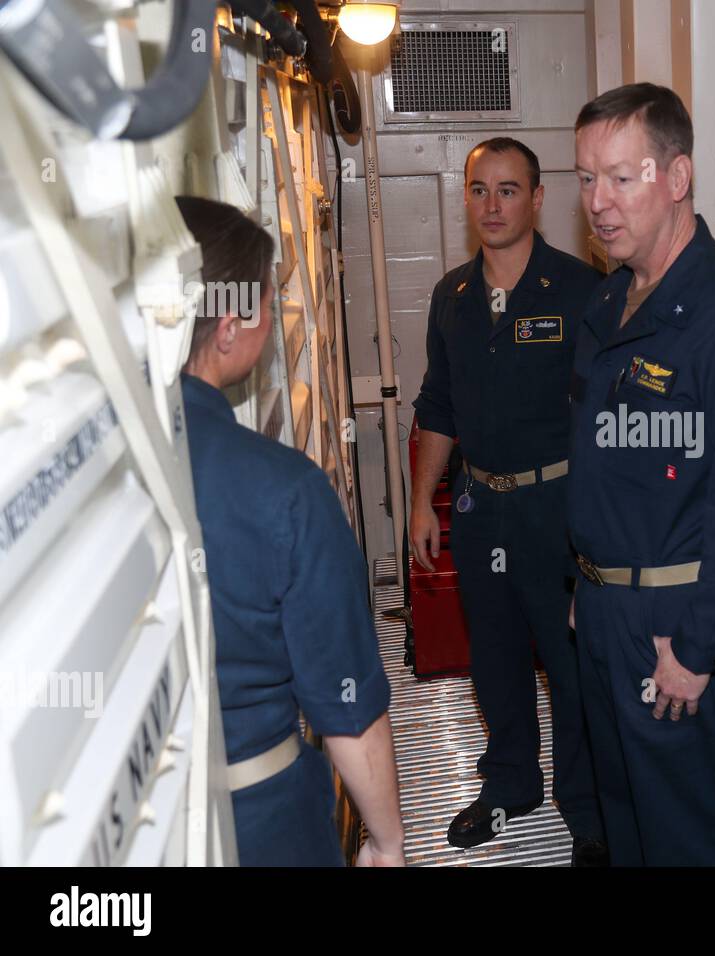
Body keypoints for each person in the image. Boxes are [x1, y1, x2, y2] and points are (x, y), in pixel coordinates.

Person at [568, 83, 715, 866]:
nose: (599, 203)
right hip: (606, 614)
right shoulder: (612, 301)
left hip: (674, 627)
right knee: (625, 822)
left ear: (677, 177)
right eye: (586, 179)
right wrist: (588, 587)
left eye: (621, 178)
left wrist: (698, 651)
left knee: (686, 839)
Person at [176, 195, 404, 867]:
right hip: (261, 822)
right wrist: (386, 843)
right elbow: (346, 703)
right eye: (270, 302)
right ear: (230, 327)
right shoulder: (283, 491)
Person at [409, 138, 606, 865]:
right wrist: (422, 501)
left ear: (538, 198)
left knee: (569, 662)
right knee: (492, 655)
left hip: (555, 510)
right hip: (477, 505)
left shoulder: (582, 292)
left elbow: (602, 421)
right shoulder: (451, 298)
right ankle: (510, 784)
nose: (492, 206)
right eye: (479, 190)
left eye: (508, 190)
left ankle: (586, 811)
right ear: (466, 198)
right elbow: (437, 406)